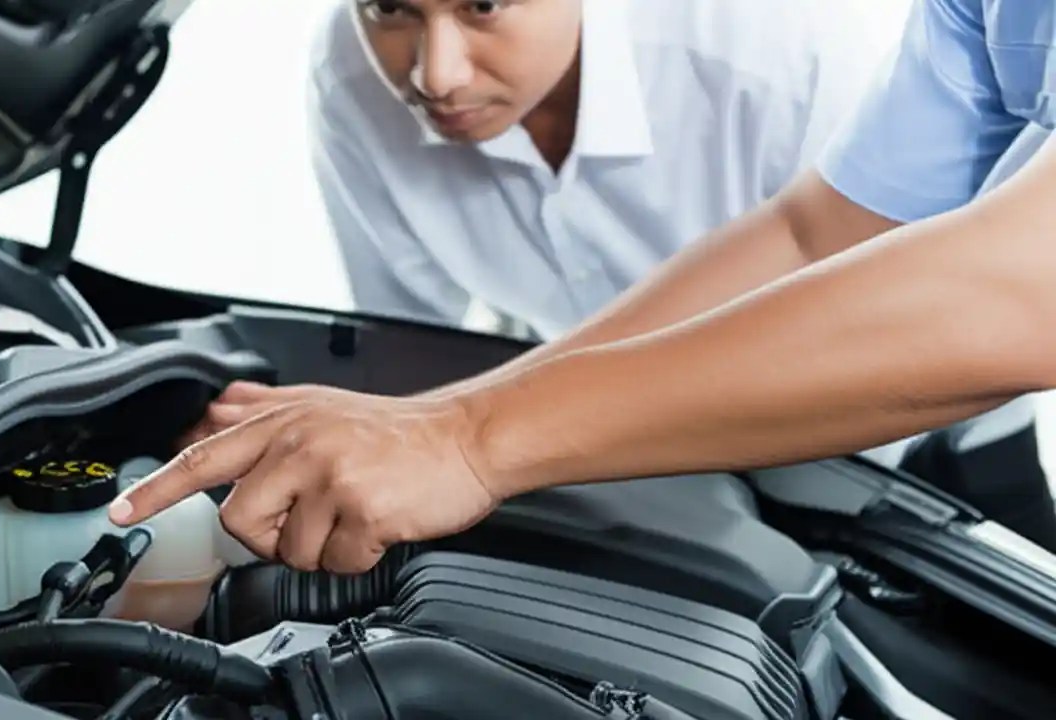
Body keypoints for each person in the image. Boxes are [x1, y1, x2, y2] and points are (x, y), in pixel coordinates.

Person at [108, 0, 1056, 572]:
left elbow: (1023, 294)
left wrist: (474, 439)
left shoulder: (767, 48)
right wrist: (428, 420)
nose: (436, 71)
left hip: (917, 456)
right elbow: (820, 233)